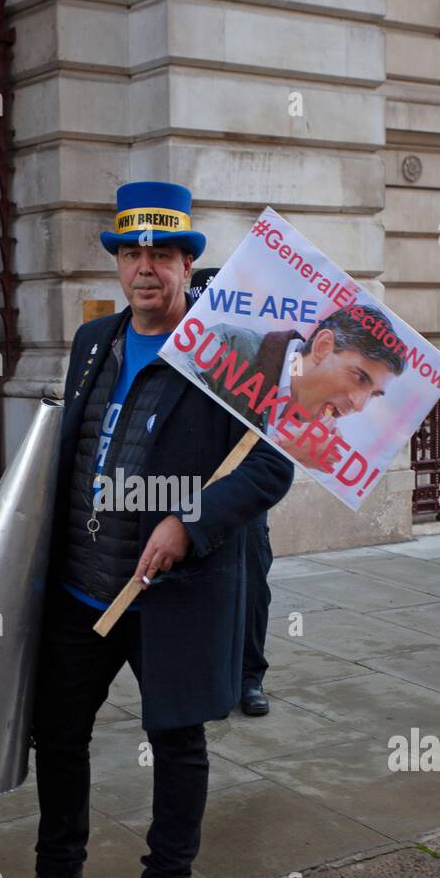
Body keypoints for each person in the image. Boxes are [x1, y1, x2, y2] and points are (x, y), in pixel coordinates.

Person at [0, 182, 294, 878]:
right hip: (86, 588)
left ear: (189, 263)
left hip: (172, 597)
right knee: (58, 734)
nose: (145, 268)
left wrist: (189, 523)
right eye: (132, 254)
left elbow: (269, 469)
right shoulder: (96, 341)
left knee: (174, 742)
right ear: (119, 264)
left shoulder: (231, 351)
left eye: (163, 254)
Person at [191, 267, 272, 718]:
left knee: (252, 585)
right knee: (193, 589)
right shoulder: (177, 351)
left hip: (242, 489)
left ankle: (248, 678)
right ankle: (209, 681)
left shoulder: (254, 346)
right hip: (187, 487)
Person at [188, 305, 407, 470]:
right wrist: (280, 450)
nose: (359, 405)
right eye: (359, 377)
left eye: (374, 395)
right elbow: (180, 448)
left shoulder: (308, 433)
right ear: (322, 346)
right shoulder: (221, 348)